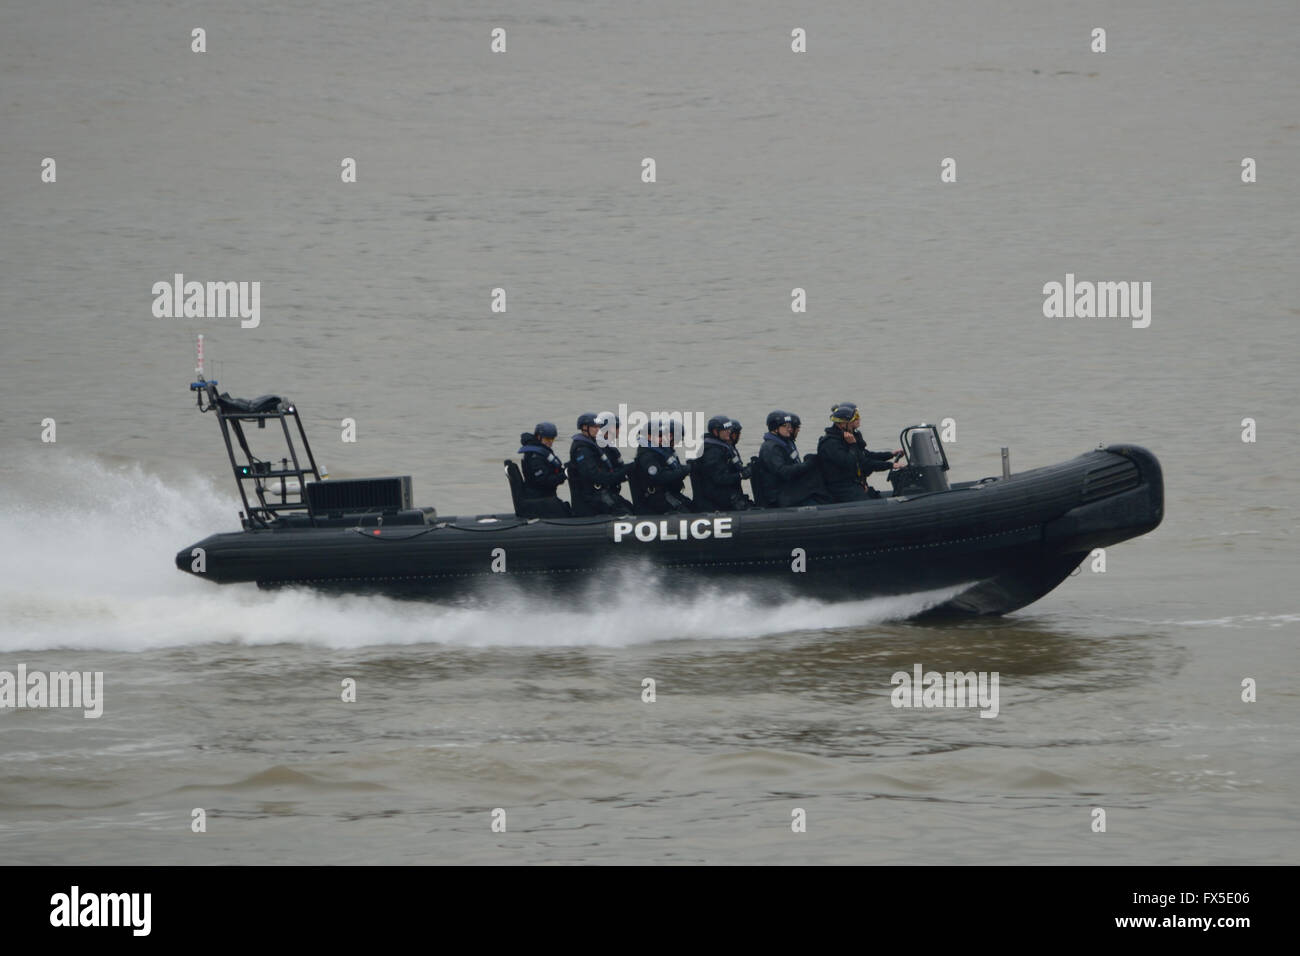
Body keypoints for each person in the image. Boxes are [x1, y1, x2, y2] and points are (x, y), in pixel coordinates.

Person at [817, 403, 902, 501]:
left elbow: (864, 456)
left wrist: (890, 455)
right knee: (870, 505)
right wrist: (890, 465)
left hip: (853, 483)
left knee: (875, 496)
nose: (858, 420)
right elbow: (854, 462)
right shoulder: (831, 444)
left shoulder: (845, 438)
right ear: (842, 424)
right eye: (854, 418)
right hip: (841, 488)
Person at [755, 410, 828, 508]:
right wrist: (806, 465)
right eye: (786, 426)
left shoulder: (785, 442)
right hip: (780, 494)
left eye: (790, 426)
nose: (790, 429)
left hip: (788, 488)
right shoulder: (771, 448)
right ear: (775, 428)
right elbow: (783, 472)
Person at [568, 412, 633, 516]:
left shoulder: (595, 446)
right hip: (591, 498)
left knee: (629, 507)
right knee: (624, 513)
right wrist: (625, 470)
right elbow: (596, 476)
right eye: (594, 427)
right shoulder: (582, 449)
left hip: (601, 494)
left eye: (598, 426)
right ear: (585, 427)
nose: (598, 429)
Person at [630, 417, 693, 513]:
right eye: (659, 435)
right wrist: (684, 470)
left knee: (693, 507)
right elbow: (659, 477)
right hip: (656, 499)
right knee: (685, 512)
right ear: (649, 437)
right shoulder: (647, 456)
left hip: (667, 494)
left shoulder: (660, 452)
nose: (662, 438)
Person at [691, 416, 753, 512]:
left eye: (729, 429)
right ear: (716, 432)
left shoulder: (723, 447)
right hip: (716, 499)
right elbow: (719, 478)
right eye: (725, 430)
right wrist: (740, 475)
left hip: (725, 494)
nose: (729, 432)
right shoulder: (712, 451)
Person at [517, 422, 571, 516]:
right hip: (539, 499)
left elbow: (555, 469)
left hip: (545, 497)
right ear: (538, 437)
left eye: (552, 439)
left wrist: (568, 468)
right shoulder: (535, 457)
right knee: (566, 512)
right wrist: (565, 475)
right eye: (547, 438)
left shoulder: (541, 452)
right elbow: (544, 481)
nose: (550, 441)